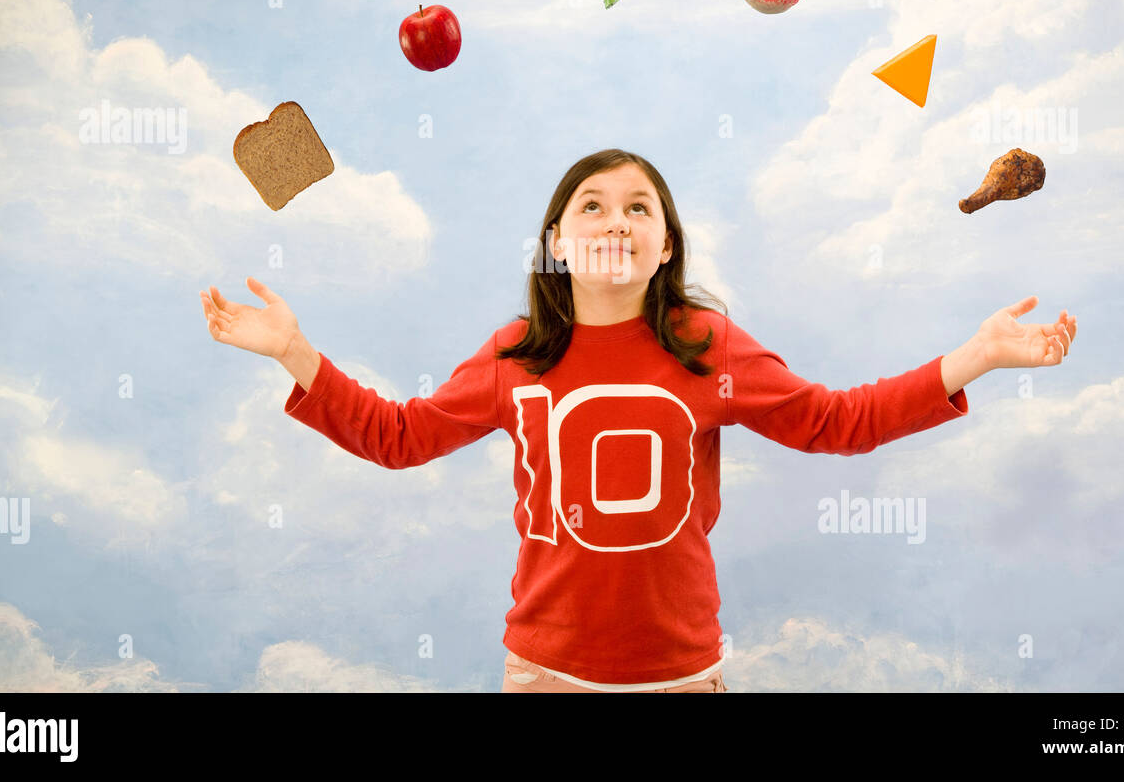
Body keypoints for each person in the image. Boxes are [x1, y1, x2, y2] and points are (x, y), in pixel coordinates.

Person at [199, 149, 1078, 693]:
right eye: (591, 205)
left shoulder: (709, 346)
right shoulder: (516, 356)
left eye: (638, 208)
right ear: (556, 244)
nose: (614, 219)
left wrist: (976, 356)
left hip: (679, 676)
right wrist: (294, 352)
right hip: (546, 674)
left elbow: (836, 421)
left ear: (665, 247)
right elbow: (400, 437)